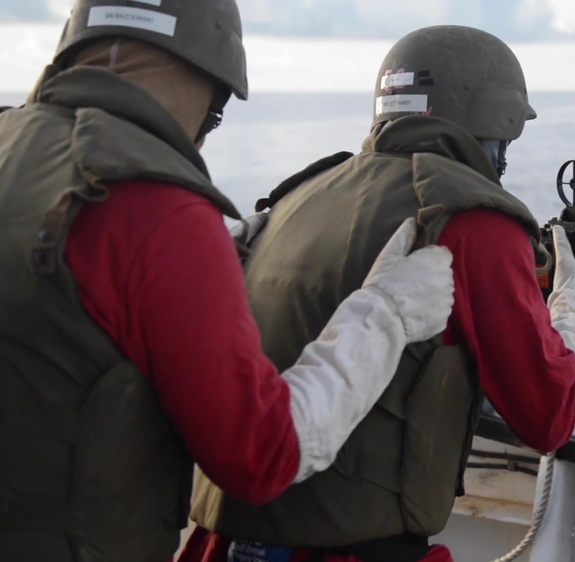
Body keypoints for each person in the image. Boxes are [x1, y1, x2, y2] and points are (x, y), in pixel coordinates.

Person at [0, 2, 455, 561]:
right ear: (213, 90)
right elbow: (261, 455)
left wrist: (217, 248)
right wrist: (384, 314)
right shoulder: (158, 206)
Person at [182, 25, 575, 562]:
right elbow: (549, 417)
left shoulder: (299, 195)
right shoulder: (473, 221)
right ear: (496, 125)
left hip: (216, 545)